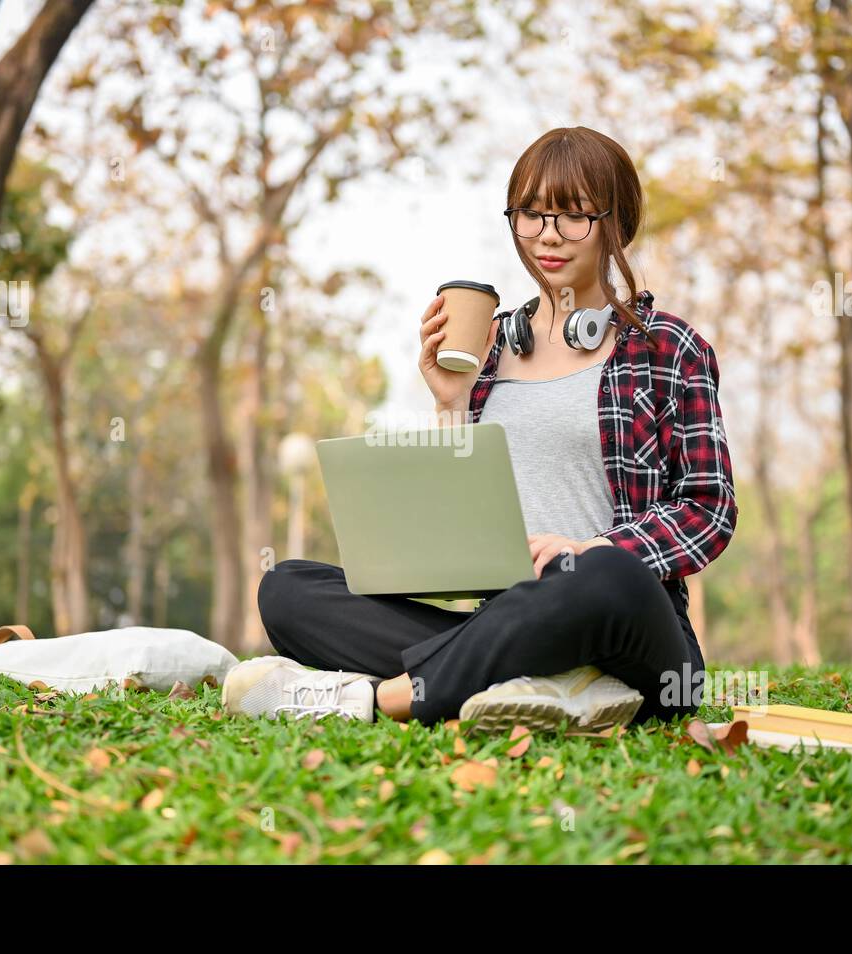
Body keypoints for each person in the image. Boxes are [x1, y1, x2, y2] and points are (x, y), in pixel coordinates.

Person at [223, 126, 738, 733]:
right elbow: (458, 519)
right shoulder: (490, 348)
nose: (548, 236)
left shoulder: (667, 349)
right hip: (500, 621)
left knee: (601, 576)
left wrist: (594, 548)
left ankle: (375, 700)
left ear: (615, 224)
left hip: (626, 629)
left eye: (573, 217)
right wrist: (453, 404)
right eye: (531, 214)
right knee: (288, 590)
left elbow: (709, 509)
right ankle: (545, 686)